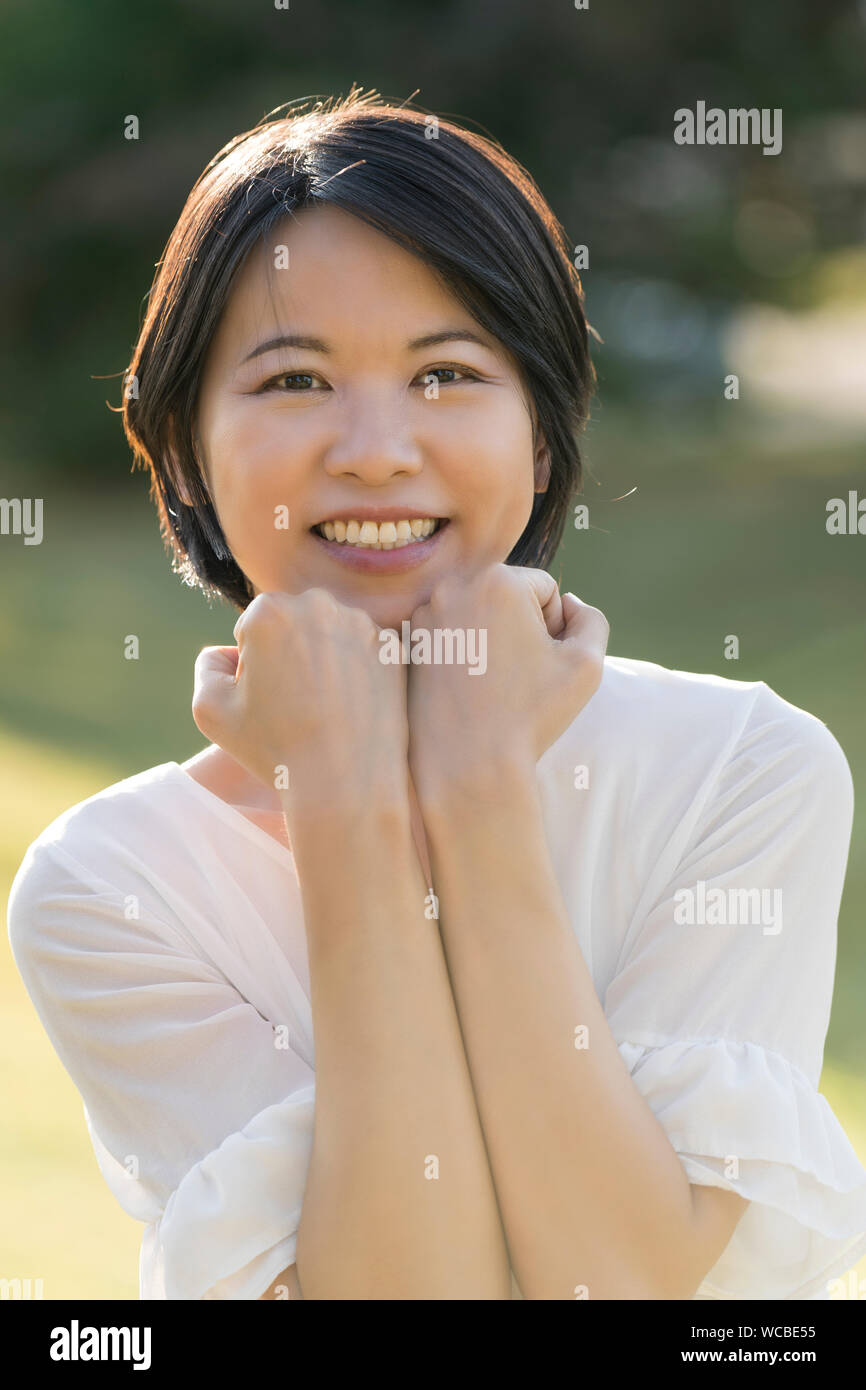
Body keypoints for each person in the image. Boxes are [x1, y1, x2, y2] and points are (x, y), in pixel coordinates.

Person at [8, 87, 866, 1301]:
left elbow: (624, 1283)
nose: (372, 448)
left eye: (447, 372)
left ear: (542, 429)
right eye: (294, 381)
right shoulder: (111, 888)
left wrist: (473, 789)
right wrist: (347, 807)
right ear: (189, 449)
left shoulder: (739, 766)